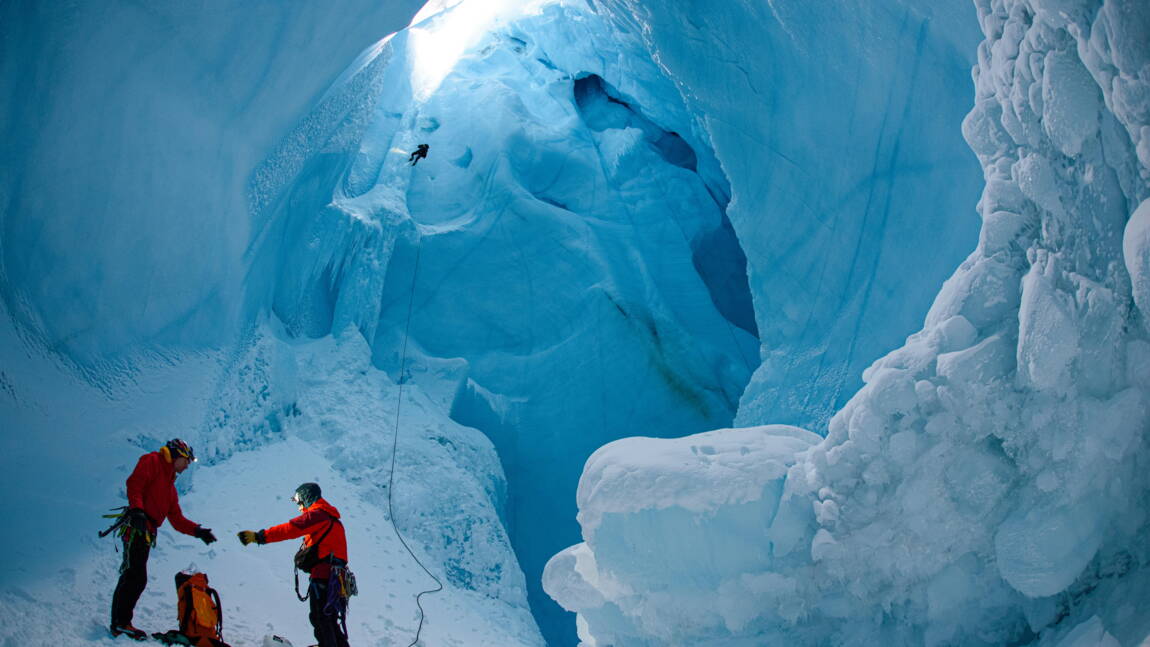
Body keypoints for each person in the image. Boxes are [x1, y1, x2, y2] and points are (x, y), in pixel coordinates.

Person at [111, 439, 217, 640]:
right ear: (177, 455)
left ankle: (120, 622)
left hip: (146, 530)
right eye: (186, 461)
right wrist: (137, 511)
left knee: (132, 575)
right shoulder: (152, 461)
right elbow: (135, 484)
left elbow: (176, 519)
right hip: (137, 527)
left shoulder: (169, 487)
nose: (187, 466)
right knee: (135, 577)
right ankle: (120, 623)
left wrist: (198, 531)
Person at [238, 483, 350, 647]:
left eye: (299, 501)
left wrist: (259, 537)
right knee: (330, 621)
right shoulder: (333, 520)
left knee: (321, 620)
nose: (299, 507)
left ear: (306, 497)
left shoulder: (318, 515)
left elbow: (291, 529)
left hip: (323, 578)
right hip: (336, 582)